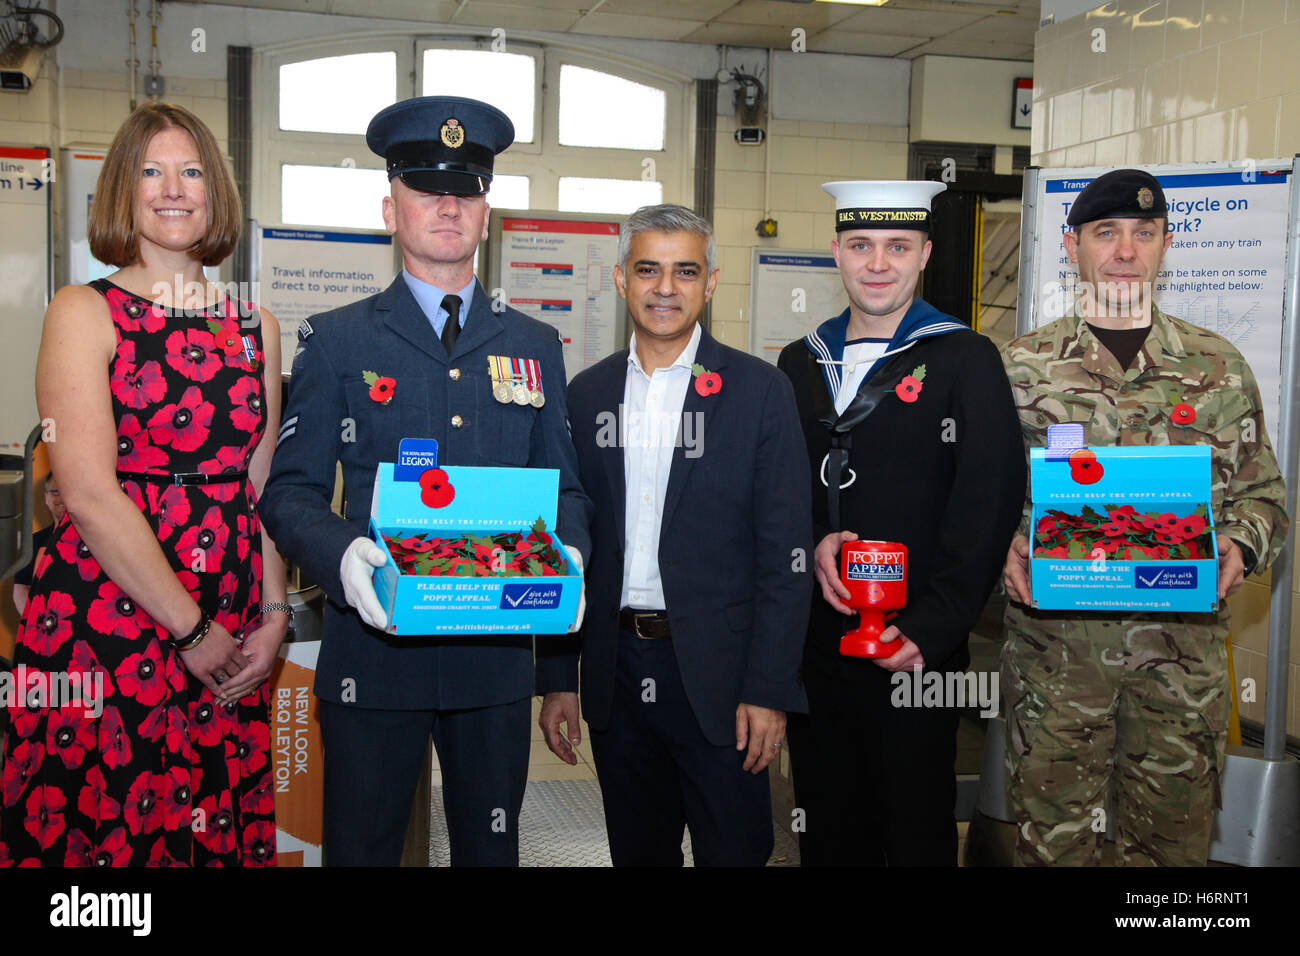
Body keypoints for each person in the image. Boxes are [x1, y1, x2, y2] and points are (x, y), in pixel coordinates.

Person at [260, 95, 591, 867]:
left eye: (466, 189)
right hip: (376, 657)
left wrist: (569, 554)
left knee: (489, 853)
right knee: (365, 851)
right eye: (424, 186)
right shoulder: (338, 341)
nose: (447, 204)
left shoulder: (535, 344)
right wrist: (342, 554)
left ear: (485, 213)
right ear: (390, 207)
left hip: (495, 656)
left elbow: (566, 487)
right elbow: (288, 492)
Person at [0, 102, 287, 866]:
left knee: (206, 823)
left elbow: (262, 479)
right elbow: (89, 492)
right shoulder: (82, 311)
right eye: (150, 171)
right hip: (108, 620)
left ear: (215, 190)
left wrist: (273, 615)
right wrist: (191, 630)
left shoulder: (253, 322)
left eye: (191, 170)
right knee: (105, 834)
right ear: (123, 192)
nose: (173, 188)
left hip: (231, 619)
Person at [1000, 168, 1289, 866]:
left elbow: (1266, 497)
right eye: (1106, 233)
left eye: (1143, 232)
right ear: (1073, 247)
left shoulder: (1218, 368)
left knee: (1170, 854)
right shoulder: (1020, 368)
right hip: (1058, 662)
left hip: (1179, 665)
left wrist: (1241, 552)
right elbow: (977, 499)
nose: (1125, 249)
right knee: (1054, 846)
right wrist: (1000, 550)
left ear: (1165, 245)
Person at [537, 204, 811, 866]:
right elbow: (563, 541)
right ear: (620, 280)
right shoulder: (586, 396)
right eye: (649, 270)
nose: (666, 288)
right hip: (617, 672)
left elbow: (786, 559)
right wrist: (558, 677)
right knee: (638, 852)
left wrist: (768, 689)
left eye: (685, 271)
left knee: (735, 852)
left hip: (722, 679)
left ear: (710, 282)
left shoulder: (760, 393)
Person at [777, 180, 1025, 866]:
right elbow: (778, 492)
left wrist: (928, 631)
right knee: (825, 824)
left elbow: (989, 501)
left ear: (925, 255)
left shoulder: (964, 358)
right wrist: (810, 543)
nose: (877, 263)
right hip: (819, 641)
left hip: (917, 645)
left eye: (897, 246)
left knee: (911, 826)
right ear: (836, 253)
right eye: (860, 245)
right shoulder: (799, 361)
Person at [12, 470, 67, 616]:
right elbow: (21, 589)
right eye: (55, 492)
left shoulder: (95, 541)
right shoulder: (32, 542)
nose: (61, 498)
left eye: (67, 491)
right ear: (46, 498)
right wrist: (36, 623)